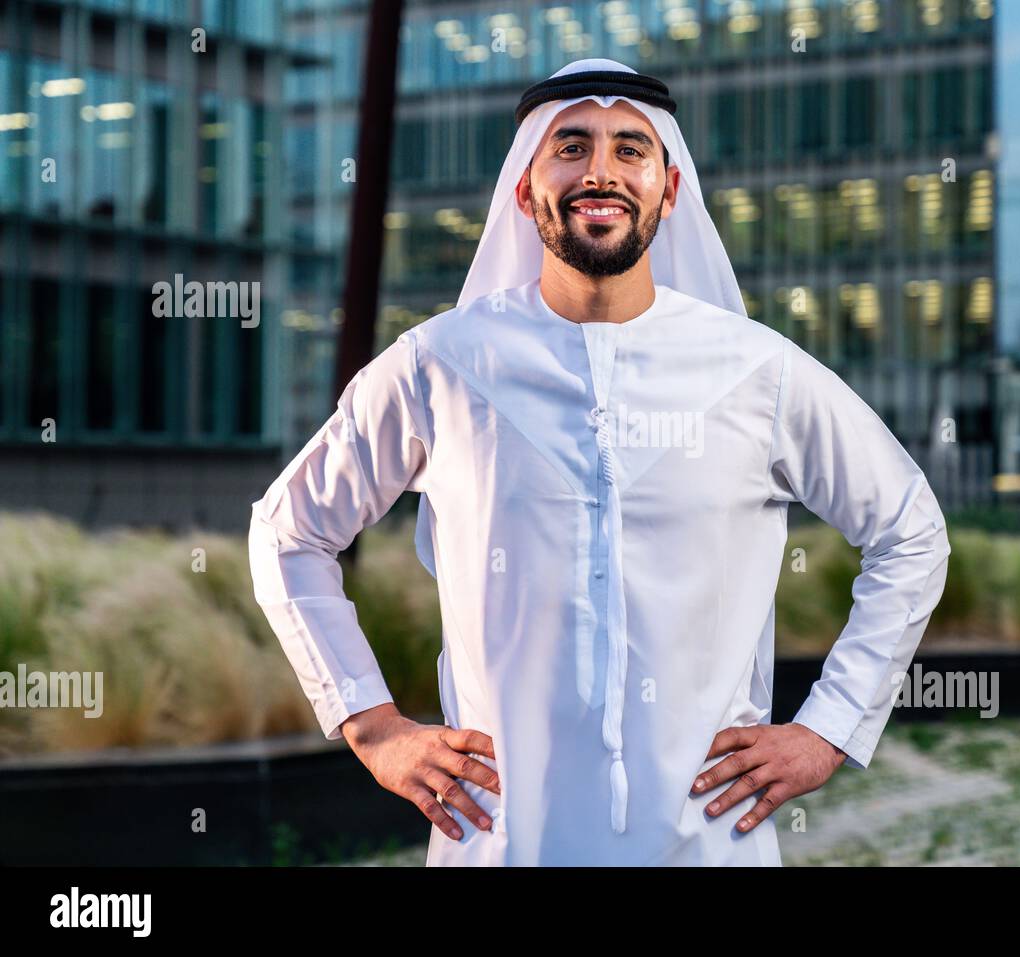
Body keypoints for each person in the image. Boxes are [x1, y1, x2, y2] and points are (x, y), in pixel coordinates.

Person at [248, 58, 951, 866]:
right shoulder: (439, 365)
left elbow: (911, 529)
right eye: (572, 146)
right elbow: (287, 532)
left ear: (668, 188)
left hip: (710, 845)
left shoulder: (758, 370)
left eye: (630, 149)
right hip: (501, 846)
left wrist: (829, 727)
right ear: (524, 186)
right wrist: (374, 727)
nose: (601, 172)